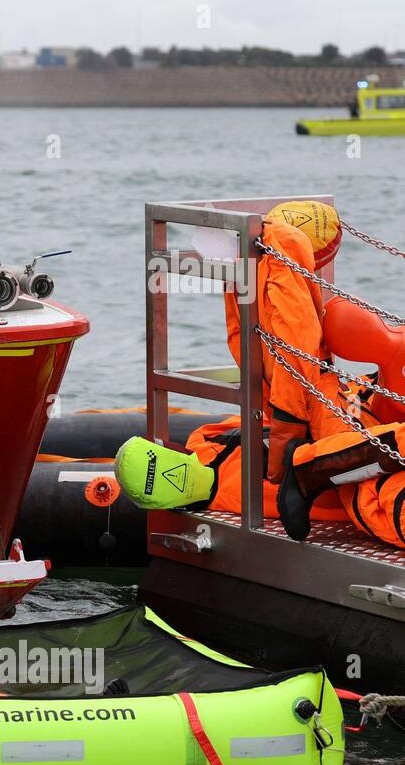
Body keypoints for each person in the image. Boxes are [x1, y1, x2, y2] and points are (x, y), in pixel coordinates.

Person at [117, 200, 405, 548]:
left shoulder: (213, 448)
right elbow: (289, 347)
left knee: (314, 393)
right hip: (334, 424)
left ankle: (307, 472)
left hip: (332, 418)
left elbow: (284, 350)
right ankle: (306, 472)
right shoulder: (215, 450)